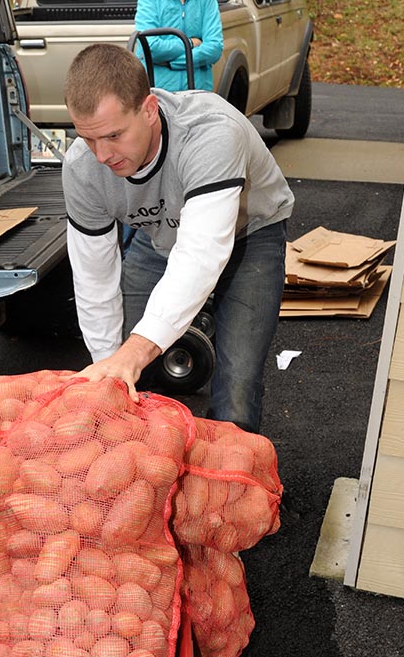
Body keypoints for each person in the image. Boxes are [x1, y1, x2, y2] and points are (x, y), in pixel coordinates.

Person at [62, 43, 293, 435]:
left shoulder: (212, 135)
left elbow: (201, 254)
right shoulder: (83, 169)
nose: (102, 155)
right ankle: (147, 476)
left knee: (237, 384)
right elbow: (94, 279)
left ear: (149, 109)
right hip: (163, 240)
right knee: (124, 366)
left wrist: (136, 352)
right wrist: (114, 367)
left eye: (113, 135)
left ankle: (229, 486)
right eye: (88, 139)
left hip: (249, 233)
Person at [134, 0, 223, 92]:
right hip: (158, 95)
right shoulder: (149, 0)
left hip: (198, 95)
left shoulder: (207, 1)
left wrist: (170, 63)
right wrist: (190, 43)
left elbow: (214, 48)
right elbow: (150, 47)